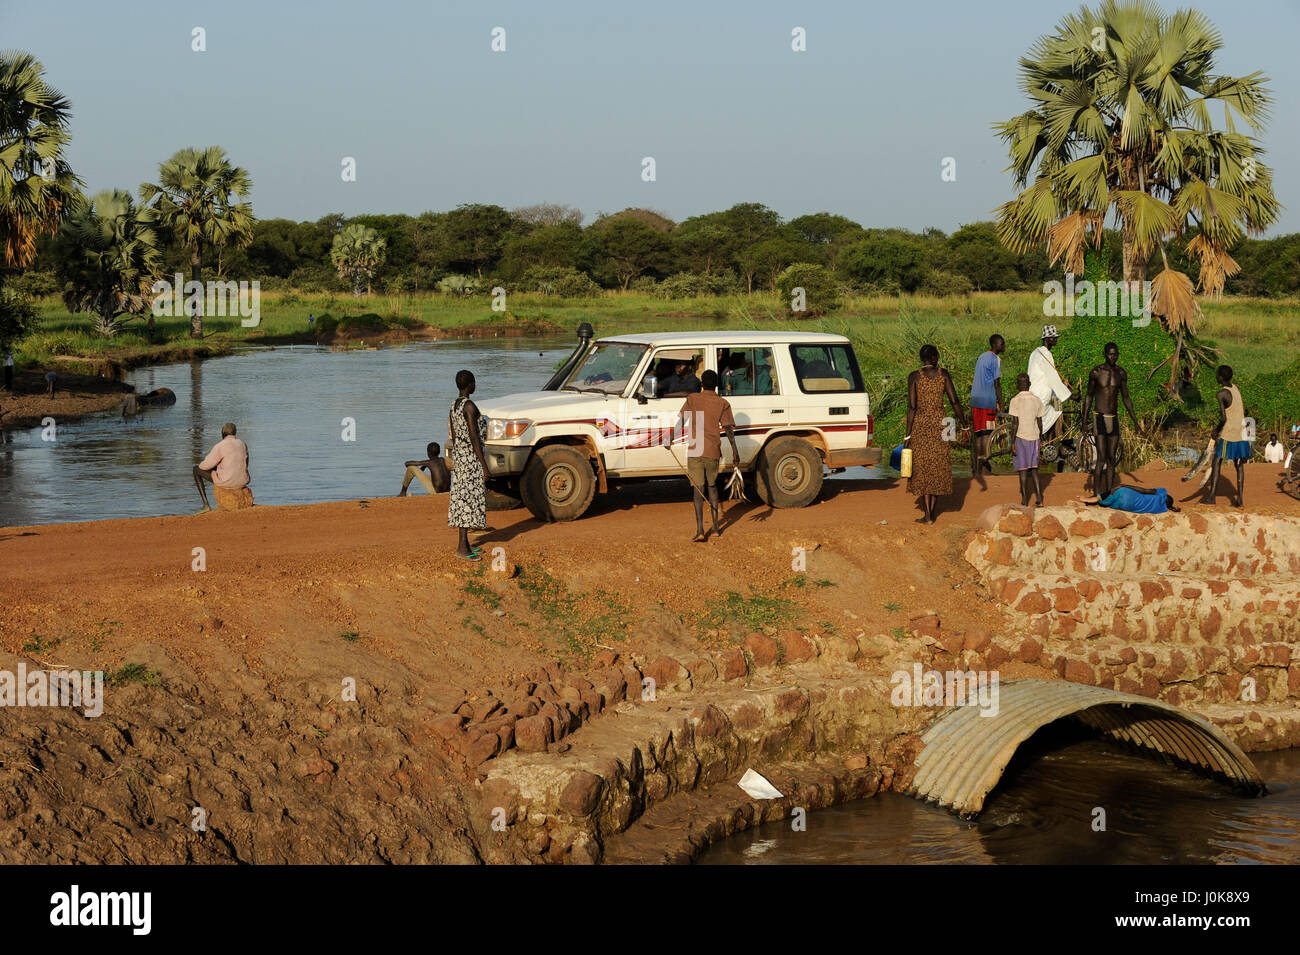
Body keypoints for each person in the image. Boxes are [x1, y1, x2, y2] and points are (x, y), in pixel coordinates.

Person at [905, 344, 968, 524]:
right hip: (942, 425)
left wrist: (907, 435)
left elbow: (912, 407)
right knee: (938, 466)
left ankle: (928, 515)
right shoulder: (943, 374)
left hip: (921, 426)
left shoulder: (914, 377)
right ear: (933, 358)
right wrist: (964, 425)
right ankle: (932, 511)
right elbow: (954, 401)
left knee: (924, 468)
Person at [679, 368, 739, 542]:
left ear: (701, 384)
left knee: (698, 490)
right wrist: (735, 451)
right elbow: (728, 429)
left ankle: (699, 530)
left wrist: (669, 439)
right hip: (712, 449)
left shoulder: (692, 399)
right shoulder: (722, 403)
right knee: (712, 487)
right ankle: (715, 528)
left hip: (695, 448)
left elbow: (681, 420)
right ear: (717, 385)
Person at [1081, 341, 1138, 498]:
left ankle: (1109, 493)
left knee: (1112, 458)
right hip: (1099, 417)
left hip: (1113, 418)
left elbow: (1126, 398)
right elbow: (1089, 397)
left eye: (1116, 354)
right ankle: (1097, 492)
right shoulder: (1096, 372)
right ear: (1105, 355)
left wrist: (1135, 421)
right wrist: (1085, 421)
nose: (1113, 357)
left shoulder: (1121, 373)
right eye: (1110, 354)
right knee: (1101, 457)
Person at [448, 369, 489, 560]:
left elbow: (455, 436)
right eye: (474, 382)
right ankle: (462, 549)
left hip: (461, 457)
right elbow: (474, 436)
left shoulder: (454, 406)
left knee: (462, 499)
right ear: (470, 384)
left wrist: (459, 456)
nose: (475, 385)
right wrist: (484, 465)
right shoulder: (470, 406)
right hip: (471, 458)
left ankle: (465, 544)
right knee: (467, 501)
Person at [1205, 365, 1249, 507]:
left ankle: (1212, 497)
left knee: (1217, 461)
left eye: (1217, 375)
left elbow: (1223, 419)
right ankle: (1240, 500)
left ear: (1220, 378)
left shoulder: (1221, 394)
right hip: (1241, 431)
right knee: (1239, 465)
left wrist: (1216, 431)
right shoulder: (1235, 388)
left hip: (1230, 432)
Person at [1026, 325, 1077, 438]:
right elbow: (1053, 379)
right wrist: (1071, 396)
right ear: (1046, 339)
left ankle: (1049, 442)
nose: (1055, 340)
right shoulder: (1046, 354)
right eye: (1053, 338)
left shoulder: (1035, 352)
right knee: (1056, 412)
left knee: (1054, 408)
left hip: (1033, 393)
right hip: (1041, 395)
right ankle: (1053, 441)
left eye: (1055, 337)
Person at [194, 422, 253, 512]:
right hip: (243, 481)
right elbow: (246, 464)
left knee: (196, 469)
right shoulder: (242, 444)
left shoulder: (220, 445)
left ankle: (206, 505)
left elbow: (204, 466)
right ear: (235, 433)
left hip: (227, 482)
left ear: (222, 433)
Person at [1007, 373, 1046, 507]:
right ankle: (1039, 497)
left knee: (1023, 470)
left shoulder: (1015, 400)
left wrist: (1012, 442)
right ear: (1029, 384)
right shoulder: (1037, 400)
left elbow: (1015, 424)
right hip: (1034, 437)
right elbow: (1040, 422)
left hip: (1020, 437)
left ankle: (1024, 500)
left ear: (1017, 385)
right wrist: (1040, 437)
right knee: (1034, 469)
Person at [969, 334, 1004, 479]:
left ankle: (977, 468)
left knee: (979, 433)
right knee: (987, 434)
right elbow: (997, 384)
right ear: (995, 345)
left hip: (975, 399)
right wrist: (1001, 403)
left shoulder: (982, 356)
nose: (1004, 346)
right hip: (987, 400)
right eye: (1002, 344)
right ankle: (985, 468)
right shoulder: (995, 359)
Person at [1079, 484, 1179, 514]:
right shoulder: (1159, 509)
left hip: (1127, 495)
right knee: (1114, 499)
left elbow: (1144, 490)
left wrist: (1123, 485)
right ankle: (1101, 500)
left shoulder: (1160, 495)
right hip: (1125, 506)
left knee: (1119, 490)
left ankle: (1097, 497)